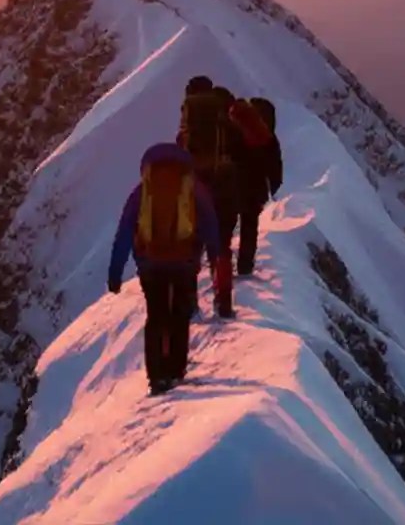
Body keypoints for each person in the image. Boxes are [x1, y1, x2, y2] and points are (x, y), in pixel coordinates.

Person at [108, 142, 220, 396]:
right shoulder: (194, 191)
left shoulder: (142, 192)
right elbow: (210, 224)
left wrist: (115, 273)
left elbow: (124, 233)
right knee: (179, 316)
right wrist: (214, 257)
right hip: (185, 263)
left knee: (156, 317)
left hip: (150, 265)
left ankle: (157, 375)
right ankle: (176, 370)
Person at [177, 77, 240, 317]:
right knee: (221, 246)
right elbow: (241, 154)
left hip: (194, 190)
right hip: (224, 189)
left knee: (192, 246)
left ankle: (190, 300)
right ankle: (223, 301)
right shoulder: (227, 124)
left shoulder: (187, 131)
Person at [228, 97, 283, 276]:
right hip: (255, 187)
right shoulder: (267, 136)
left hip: (231, 184)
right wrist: (273, 187)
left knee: (227, 224)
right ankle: (245, 265)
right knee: (249, 226)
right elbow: (274, 165)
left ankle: (221, 261)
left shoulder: (235, 129)